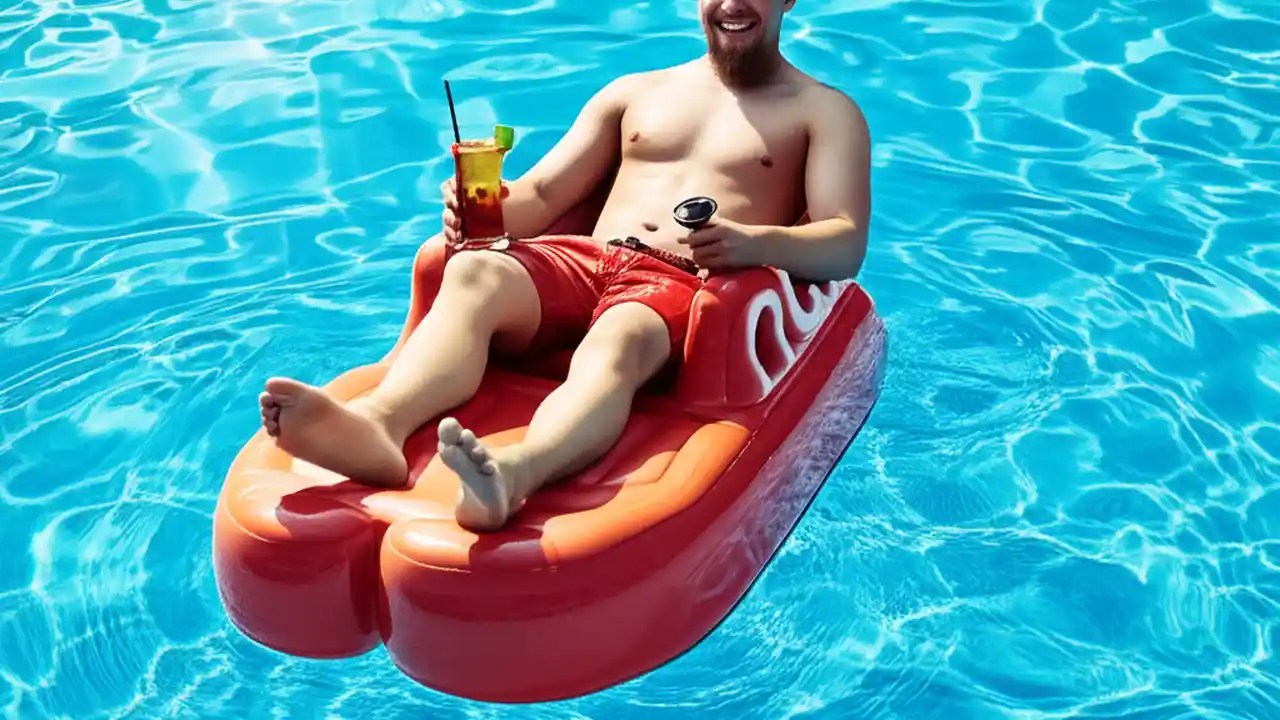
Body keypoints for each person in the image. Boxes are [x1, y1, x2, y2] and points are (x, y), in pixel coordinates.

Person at [258, 0, 872, 531]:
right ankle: (377, 427)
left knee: (617, 340)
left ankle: (515, 471)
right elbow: (545, 196)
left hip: (679, 285)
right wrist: (486, 208)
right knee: (475, 272)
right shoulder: (635, 93)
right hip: (586, 259)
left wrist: (753, 243)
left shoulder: (821, 111)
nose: (733, 4)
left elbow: (843, 242)